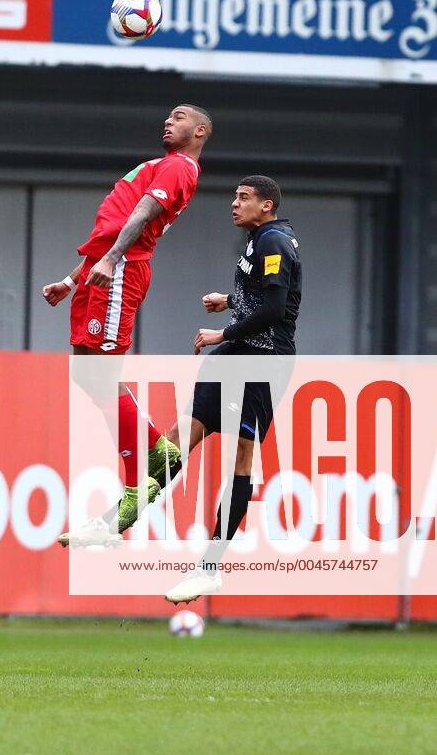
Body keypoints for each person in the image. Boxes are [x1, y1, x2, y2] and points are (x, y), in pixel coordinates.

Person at [43, 104, 213, 548]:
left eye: (178, 118)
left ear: (199, 131)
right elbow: (111, 228)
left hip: (121, 270)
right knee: (86, 372)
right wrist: (70, 279)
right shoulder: (164, 165)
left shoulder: (179, 168)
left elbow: (139, 218)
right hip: (102, 267)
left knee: (101, 374)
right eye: (167, 117)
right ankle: (156, 452)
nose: (167, 121)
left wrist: (112, 259)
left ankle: (144, 473)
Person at [164, 174, 302, 603]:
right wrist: (230, 298)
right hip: (237, 355)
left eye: (244, 197)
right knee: (180, 434)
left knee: (243, 456)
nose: (234, 203)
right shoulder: (258, 241)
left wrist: (220, 333)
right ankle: (126, 511)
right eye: (235, 196)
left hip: (264, 362)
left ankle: (210, 565)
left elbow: (277, 310)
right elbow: (263, 296)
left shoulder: (274, 242)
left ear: (267, 205)